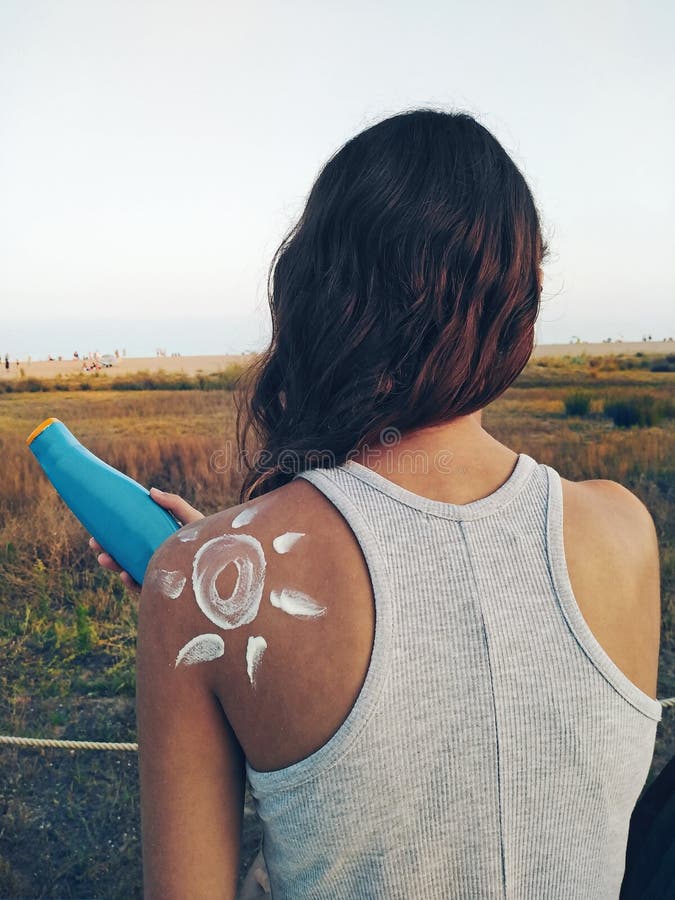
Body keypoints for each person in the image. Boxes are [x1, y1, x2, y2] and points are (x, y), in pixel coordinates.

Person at [92, 109, 662, 899]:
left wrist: (205, 576)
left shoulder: (192, 582)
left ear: (316, 290)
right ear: (517, 305)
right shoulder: (623, 529)